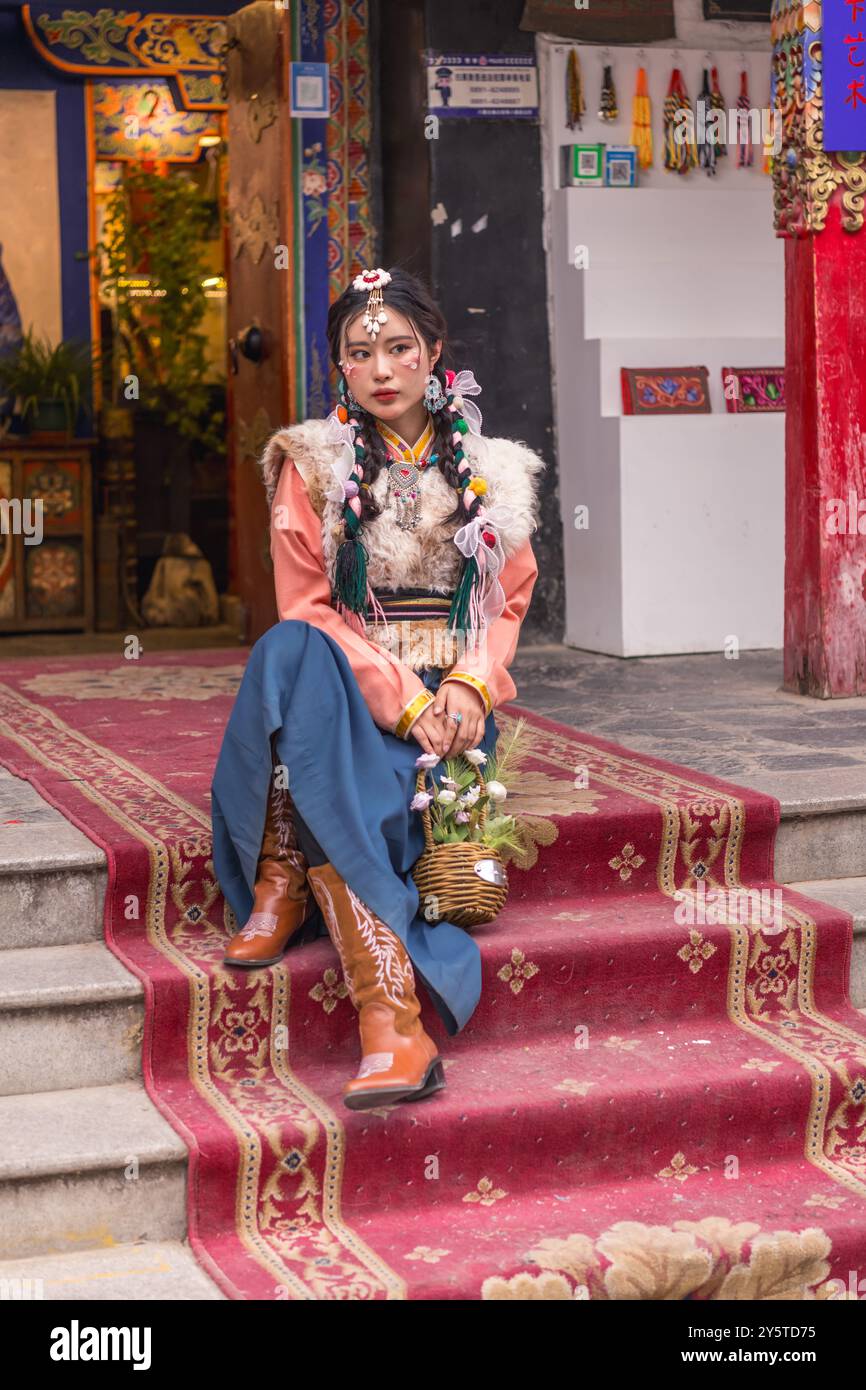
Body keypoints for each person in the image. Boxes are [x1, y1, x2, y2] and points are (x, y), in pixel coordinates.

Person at [210, 266, 544, 1112]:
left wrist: (468, 688)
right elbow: (308, 607)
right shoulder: (312, 463)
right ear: (343, 370)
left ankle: (283, 871)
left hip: (456, 699)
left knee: (324, 758)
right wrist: (404, 698)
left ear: (435, 353)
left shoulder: (495, 469)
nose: (384, 369)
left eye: (400, 348)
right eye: (363, 354)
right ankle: (390, 1023)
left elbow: (506, 599)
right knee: (288, 648)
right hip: (354, 684)